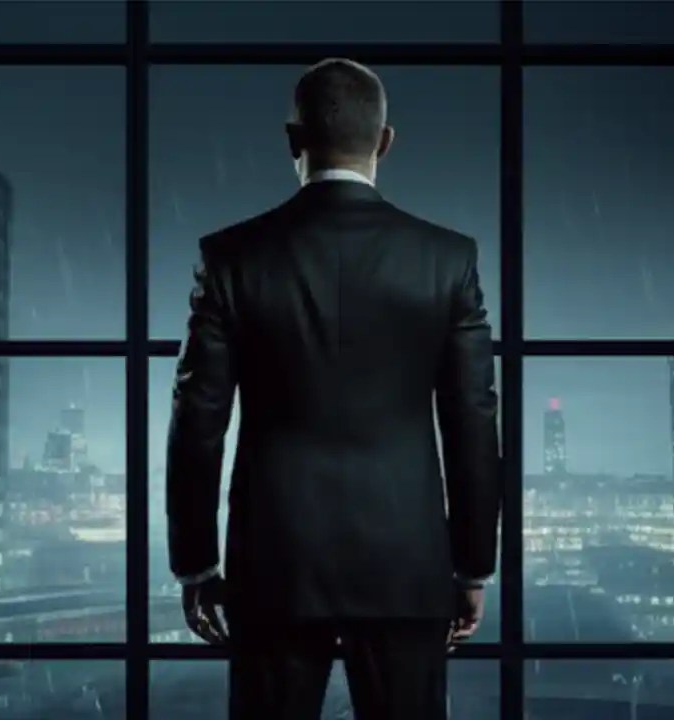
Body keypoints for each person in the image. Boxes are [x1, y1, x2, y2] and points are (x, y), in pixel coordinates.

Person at [165, 57, 501, 720]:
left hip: (275, 563)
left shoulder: (232, 257)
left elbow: (199, 418)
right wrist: (471, 566)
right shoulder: (446, 258)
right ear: (385, 141)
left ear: (293, 140)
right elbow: (472, 420)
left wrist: (196, 565)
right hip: (405, 561)